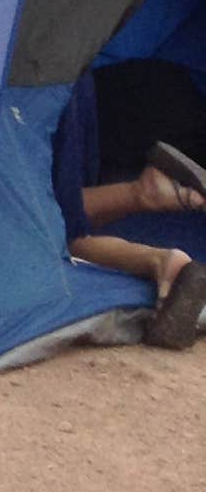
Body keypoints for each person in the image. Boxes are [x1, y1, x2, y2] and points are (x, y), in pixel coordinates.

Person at [53, 72, 206, 349]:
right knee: (60, 226)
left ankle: (154, 232)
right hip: (99, 86)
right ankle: (150, 218)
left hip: (54, 91)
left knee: (39, 225)